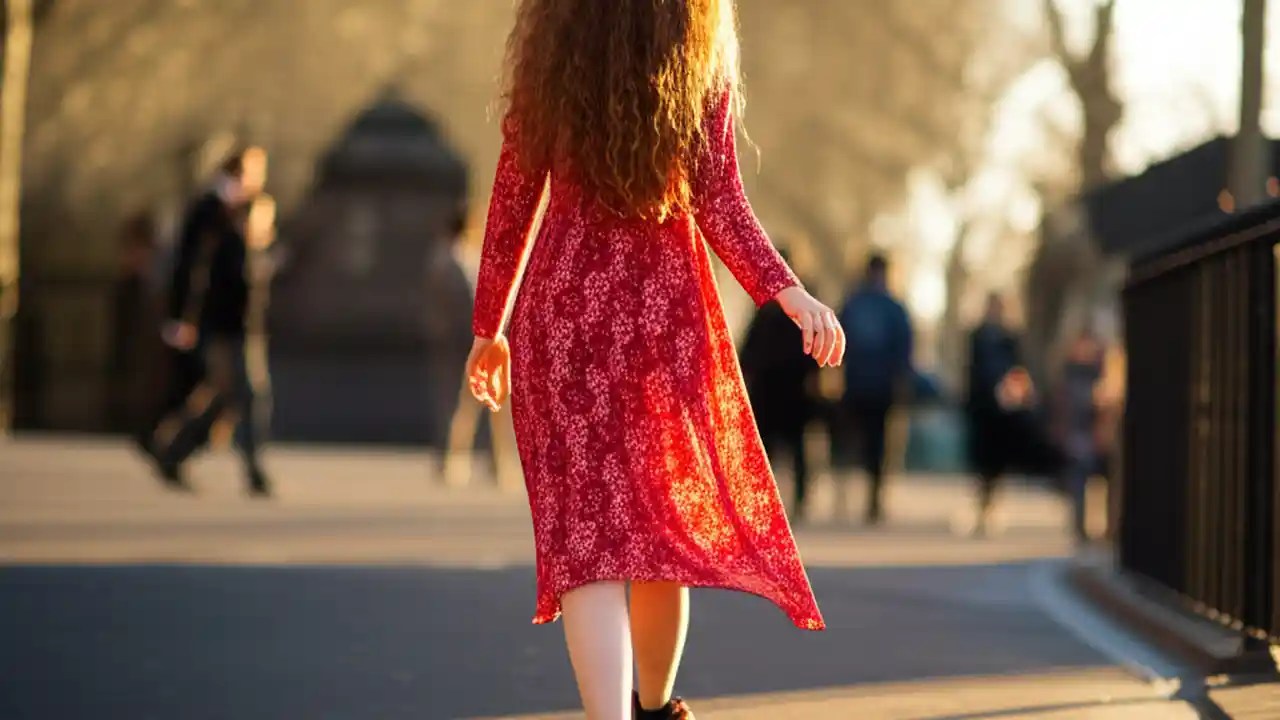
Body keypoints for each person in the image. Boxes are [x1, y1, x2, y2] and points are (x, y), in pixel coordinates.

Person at [463, 3, 843, 717]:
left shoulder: (555, 28)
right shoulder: (697, 37)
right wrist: (789, 294)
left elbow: (515, 190)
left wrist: (491, 326)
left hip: (563, 308)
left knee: (589, 541)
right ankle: (656, 707)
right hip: (658, 313)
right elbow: (719, 195)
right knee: (660, 526)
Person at [138, 146, 274, 498]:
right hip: (222, 322)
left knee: (225, 397)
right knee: (248, 395)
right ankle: (253, 470)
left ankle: (174, 452)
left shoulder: (246, 209)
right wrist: (181, 317)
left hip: (242, 322)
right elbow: (192, 267)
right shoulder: (213, 210)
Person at [739, 249, 819, 522]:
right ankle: (794, 501)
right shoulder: (799, 307)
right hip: (792, 390)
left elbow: (748, 351)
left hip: (771, 389)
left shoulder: (765, 308)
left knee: (771, 450)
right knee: (793, 450)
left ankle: (766, 503)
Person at [837, 254, 913, 525]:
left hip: (860, 384)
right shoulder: (894, 308)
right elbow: (905, 351)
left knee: (857, 443)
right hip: (879, 386)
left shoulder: (854, 304)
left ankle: (856, 496)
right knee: (877, 444)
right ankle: (872, 497)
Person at [964, 294, 1025, 536]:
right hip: (982, 407)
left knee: (996, 461)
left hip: (1002, 408)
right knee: (982, 460)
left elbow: (1018, 371)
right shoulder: (978, 336)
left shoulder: (1010, 339)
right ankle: (982, 505)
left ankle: (991, 506)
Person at [1053, 325, 1106, 543]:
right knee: (1078, 479)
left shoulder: (1098, 373)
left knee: (1095, 480)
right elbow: (1060, 406)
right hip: (1076, 432)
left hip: (1093, 430)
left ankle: (1096, 525)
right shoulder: (1069, 374)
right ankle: (1080, 525)